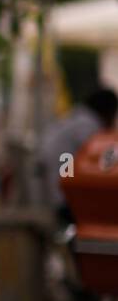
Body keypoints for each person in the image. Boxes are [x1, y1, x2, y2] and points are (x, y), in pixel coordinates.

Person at [39, 87, 118, 220]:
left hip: (53, 191)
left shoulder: (76, 118)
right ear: (108, 111)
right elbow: (104, 158)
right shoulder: (87, 125)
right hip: (65, 199)